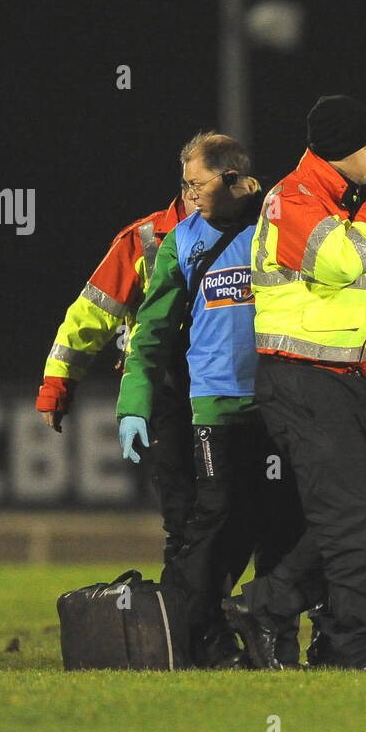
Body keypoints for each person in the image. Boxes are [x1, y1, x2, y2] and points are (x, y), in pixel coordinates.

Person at [221, 94, 366, 671]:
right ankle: (353, 646)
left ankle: (271, 605)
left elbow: (359, 301)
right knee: (348, 518)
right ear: (345, 150)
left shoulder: (340, 200)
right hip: (303, 379)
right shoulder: (294, 199)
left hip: (341, 377)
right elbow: (339, 263)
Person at [114, 131, 303, 668]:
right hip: (215, 407)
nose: (187, 193)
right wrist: (134, 404)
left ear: (233, 179)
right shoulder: (180, 240)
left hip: (277, 401)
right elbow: (150, 331)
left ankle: (276, 646)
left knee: (280, 525)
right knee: (216, 519)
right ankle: (190, 632)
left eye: (196, 183)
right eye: (184, 184)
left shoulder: (276, 222)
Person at [35, 178, 195, 570]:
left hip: (232, 386)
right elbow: (88, 318)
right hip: (166, 388)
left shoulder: (252, 230)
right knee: (184, 516)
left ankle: (254, 617)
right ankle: (195, 623)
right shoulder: (143, 240)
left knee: (244, 513)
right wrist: (56, 385)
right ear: (189, 186)